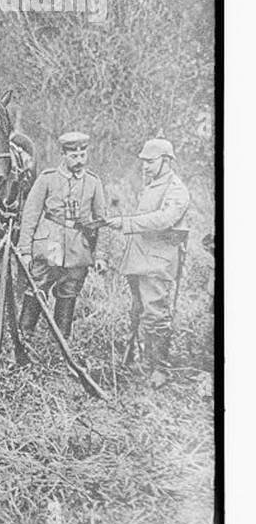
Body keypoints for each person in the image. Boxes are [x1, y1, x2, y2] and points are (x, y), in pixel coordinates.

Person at [105, 137, 191, 382]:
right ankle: (140, 360)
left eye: (150, 162)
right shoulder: (152, 186)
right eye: (143, 162)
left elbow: (163, 220)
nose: (145, 166)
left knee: (156, 314)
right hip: (139, 260)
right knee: (138, 311)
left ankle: (159, 368)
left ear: (166, 161)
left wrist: (126, 223)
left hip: (157, 263)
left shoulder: (176, 189)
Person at [17, 130, 108, 355]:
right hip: (48, 246)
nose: (79, 160)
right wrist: (25, 250)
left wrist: (101, 256)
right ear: (63, 155)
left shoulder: (94, 183)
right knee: (36, 288)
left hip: (78, 248)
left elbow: (101, 222)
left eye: (83, 155)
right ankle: (23, 340)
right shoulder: (47, 179)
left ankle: (61, 347)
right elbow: (30, 215)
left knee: (68, 293)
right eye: (74, 155)